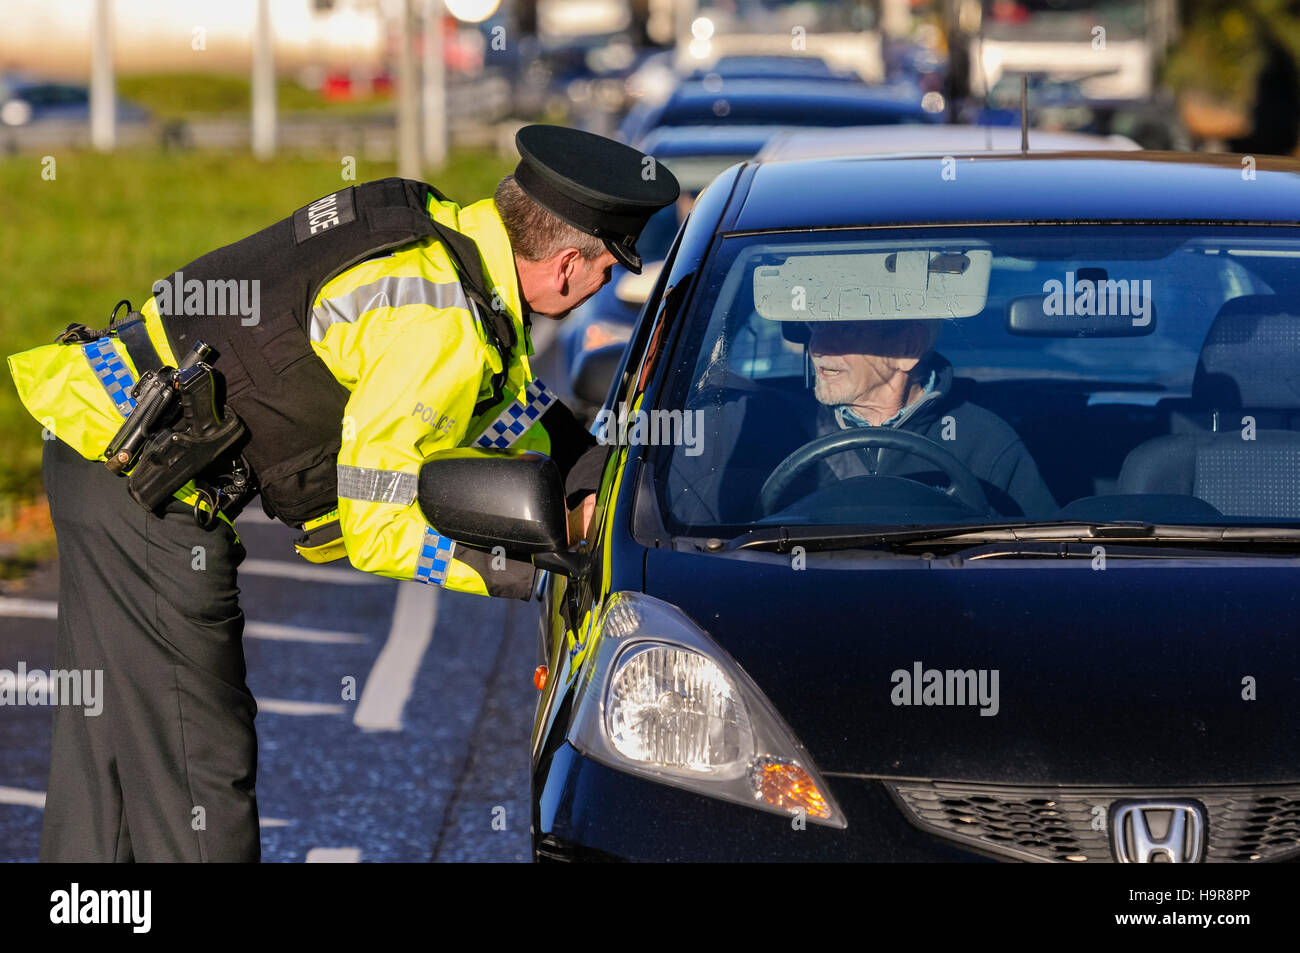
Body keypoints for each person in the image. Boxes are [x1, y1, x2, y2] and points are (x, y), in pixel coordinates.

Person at [6, 124, 678, 862]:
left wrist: (599, 477)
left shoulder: (444, 243)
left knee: (108, 760)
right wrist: (523, 567)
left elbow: (510, 410)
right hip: (143, 486)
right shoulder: (441, 324)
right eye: (608, 271)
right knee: (200, 765)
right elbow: (373, 518)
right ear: (565, 265)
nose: (605, 288)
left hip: (97, 437)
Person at [805, 318, 1056, 517]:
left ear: (907, 348)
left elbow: (1039, 556)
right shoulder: (787, 427)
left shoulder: (985, 440)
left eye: (847, 329)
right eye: (816, 325)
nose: (816, 347)